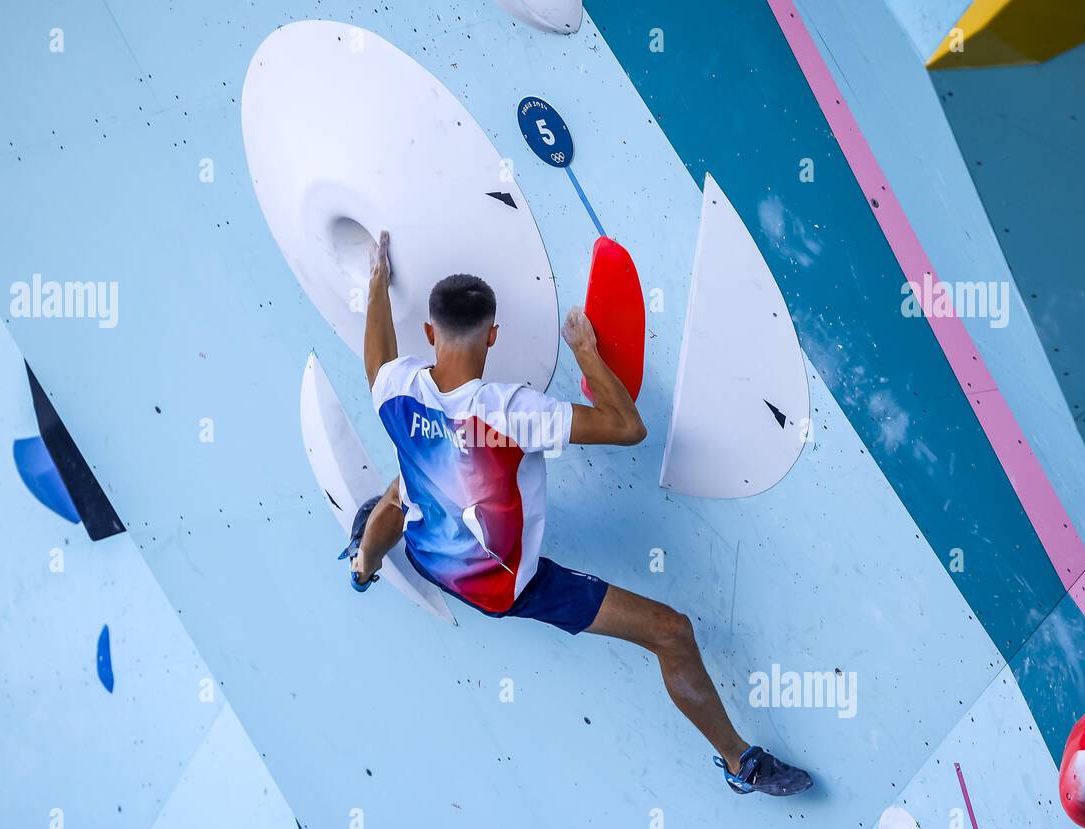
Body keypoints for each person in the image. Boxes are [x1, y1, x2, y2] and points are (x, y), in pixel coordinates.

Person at [341, 230, 812, 796]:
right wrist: (586, 350)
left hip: (426, 552)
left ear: (427, 334)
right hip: (504, 589)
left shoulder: (395, 387)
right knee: (671, 632)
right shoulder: (513, 412)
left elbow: (377, 355)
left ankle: (363, 565)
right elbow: (627, 427)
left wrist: (376, 282)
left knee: (405, 484)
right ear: (493, 336)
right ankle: (742, 763)